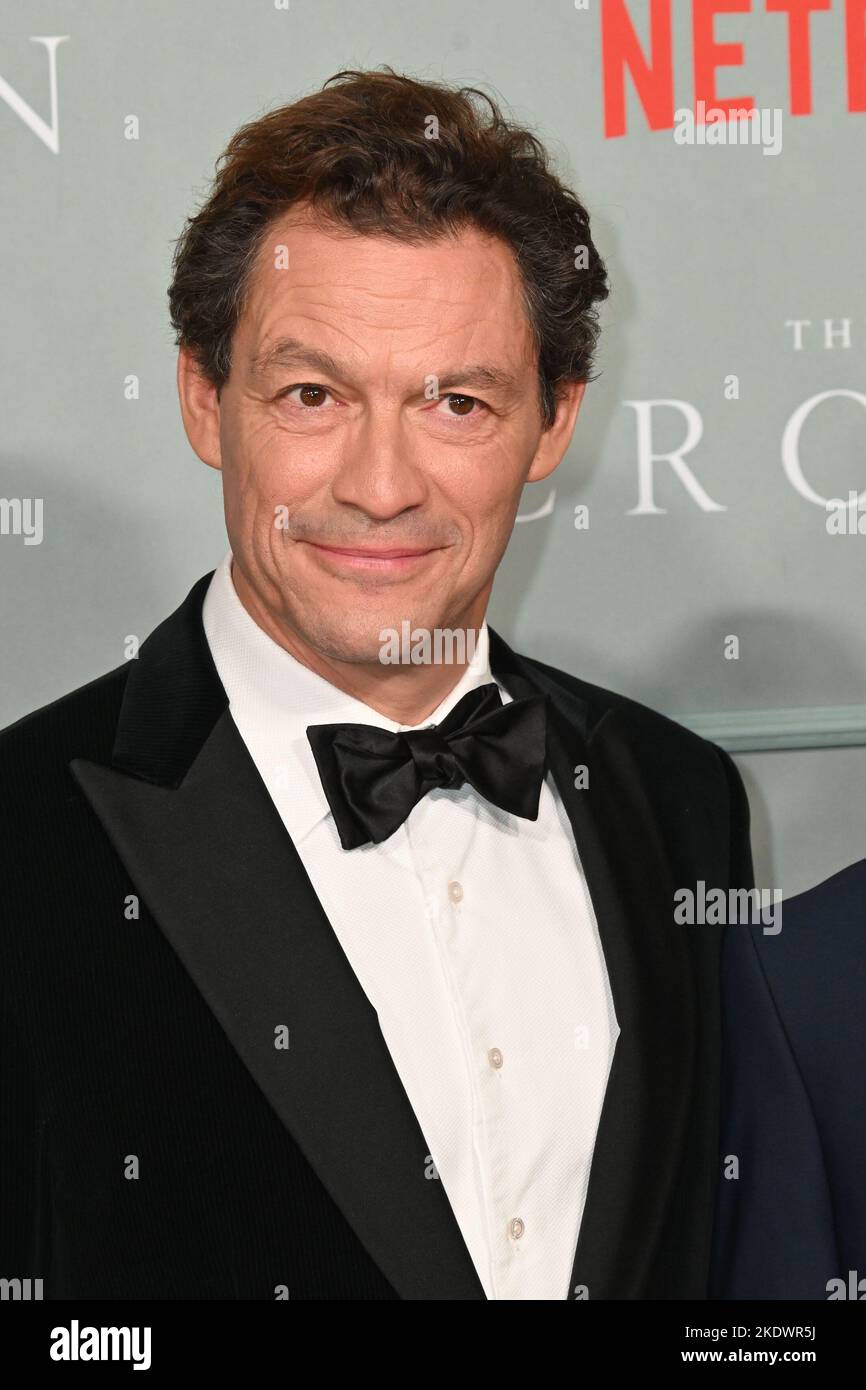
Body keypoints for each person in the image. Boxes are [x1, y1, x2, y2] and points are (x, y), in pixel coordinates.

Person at [0, 68, 753, 1300]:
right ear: (204, 396)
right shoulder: (25, 832)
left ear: (553, 423)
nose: (381, 484)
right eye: (313, 395)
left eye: (455, 401)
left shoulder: (674, 799)